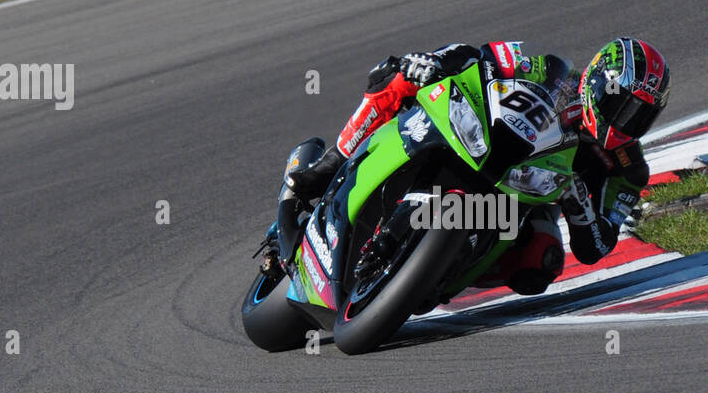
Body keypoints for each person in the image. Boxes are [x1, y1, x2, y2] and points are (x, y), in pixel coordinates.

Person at [287, 38, 671, 294]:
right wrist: (435, 62)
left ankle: (436, 273)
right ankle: (329, 163)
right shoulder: (554, 72)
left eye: (639, 117)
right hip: (479, 146)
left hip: (520, 204)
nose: (625, 122)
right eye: (622, 106)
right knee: (400, 74)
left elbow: (596, 248)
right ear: (598, 83)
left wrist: (580, 205)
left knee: (542, 262)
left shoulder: (627, 171)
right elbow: (482, 55)